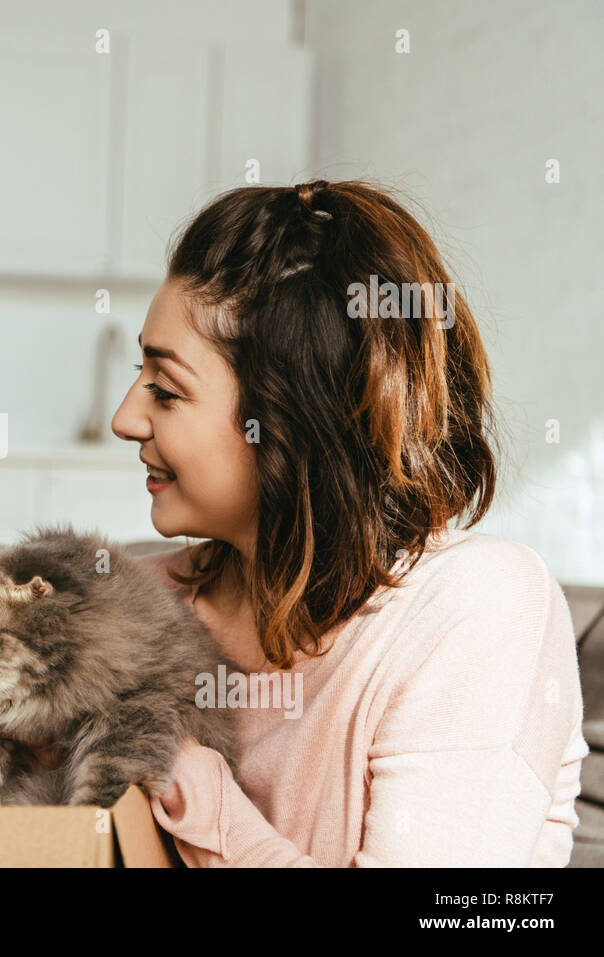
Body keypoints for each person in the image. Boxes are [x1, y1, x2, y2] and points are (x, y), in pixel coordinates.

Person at [112, 180, 588, 866]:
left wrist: (196, 792)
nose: (124, 419)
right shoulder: (141, 603)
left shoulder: (473, 609)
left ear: (287, 419)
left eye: (167, 388)